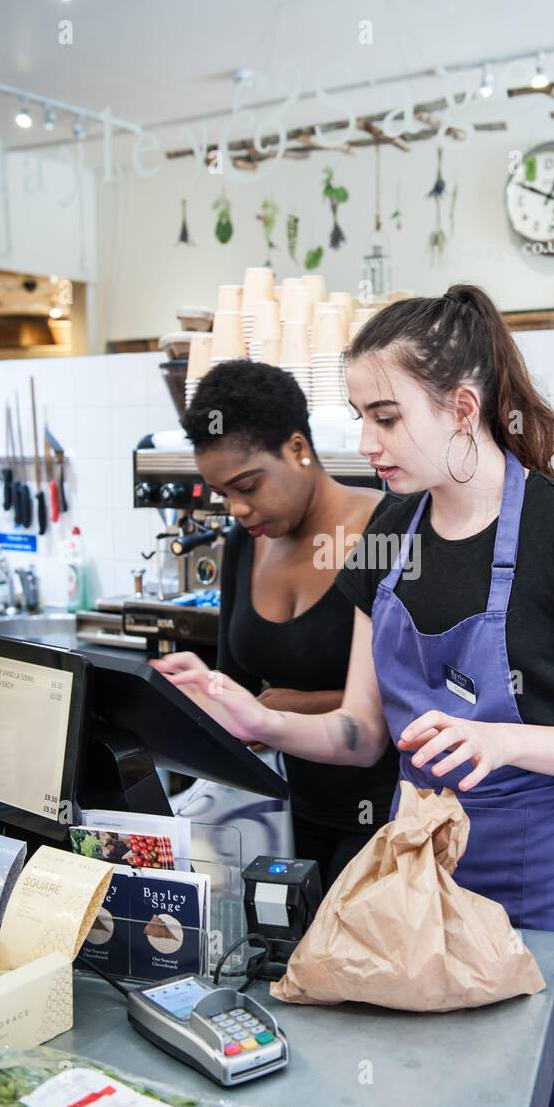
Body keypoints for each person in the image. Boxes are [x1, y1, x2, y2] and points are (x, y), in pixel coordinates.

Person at [154, 287, 554, 1107]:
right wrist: (258, 720)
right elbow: (360, 734)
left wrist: (502, 742)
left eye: (386, 416)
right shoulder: (385, 537)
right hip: (414, 876)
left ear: (461, 408)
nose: (368, 442)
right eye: (359, 416)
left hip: (545, 879)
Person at [153, 360, 400, 892]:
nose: (237, 507)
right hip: (290, 817)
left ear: (296, 448)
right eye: (221, 493)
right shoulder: (245, 545)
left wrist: (288, 705)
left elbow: (418, 701)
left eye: (247, 485)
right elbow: (241, 694)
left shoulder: (389, 533)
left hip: (389, 823)